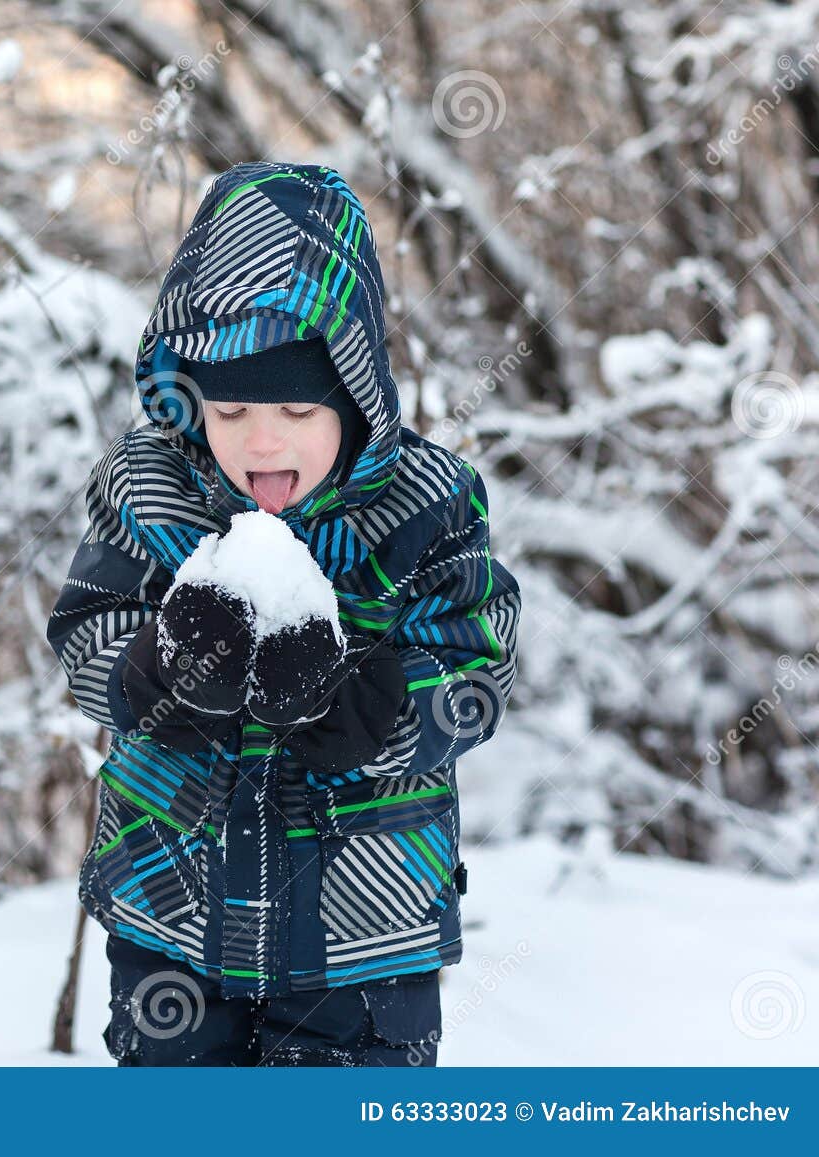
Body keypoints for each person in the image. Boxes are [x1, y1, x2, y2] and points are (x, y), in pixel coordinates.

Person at [46, 161, 522, 1066]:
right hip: (171, 901)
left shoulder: (426, 503)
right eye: (230, 409)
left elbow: (477, 660)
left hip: (361, 920)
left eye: (299, 408)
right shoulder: (150, 490)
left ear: (354, 393)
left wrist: (379, 706)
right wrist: (157, 670)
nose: (262, 439)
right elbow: (87, 629)